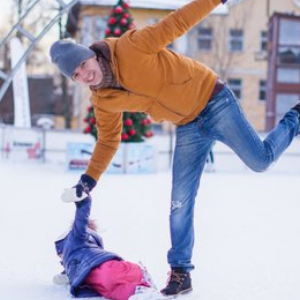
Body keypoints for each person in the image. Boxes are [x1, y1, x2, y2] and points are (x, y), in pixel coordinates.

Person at [50, 0, 300, 296]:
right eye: (76, 75)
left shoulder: (132, 46)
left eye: (83, 65)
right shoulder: (102, 100)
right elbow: (108, 140)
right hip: (188, 125)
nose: (84, 74)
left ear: (90, 55)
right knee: (179, 202)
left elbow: (178, 21)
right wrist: (88, 181)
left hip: (214, 100)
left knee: (260, 161)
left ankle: (295, 116)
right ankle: (181, 272)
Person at [54, 191, 163, 300]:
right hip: (104, 281)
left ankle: (142, 276)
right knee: (115, 293)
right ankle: (144, 292)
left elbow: (81, 220)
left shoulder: (76, 240)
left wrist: (84, 201)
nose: (59, 257)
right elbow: (71, 270)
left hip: (110, 269)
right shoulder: (75, 262)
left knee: (109, 278)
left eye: (59, 251)